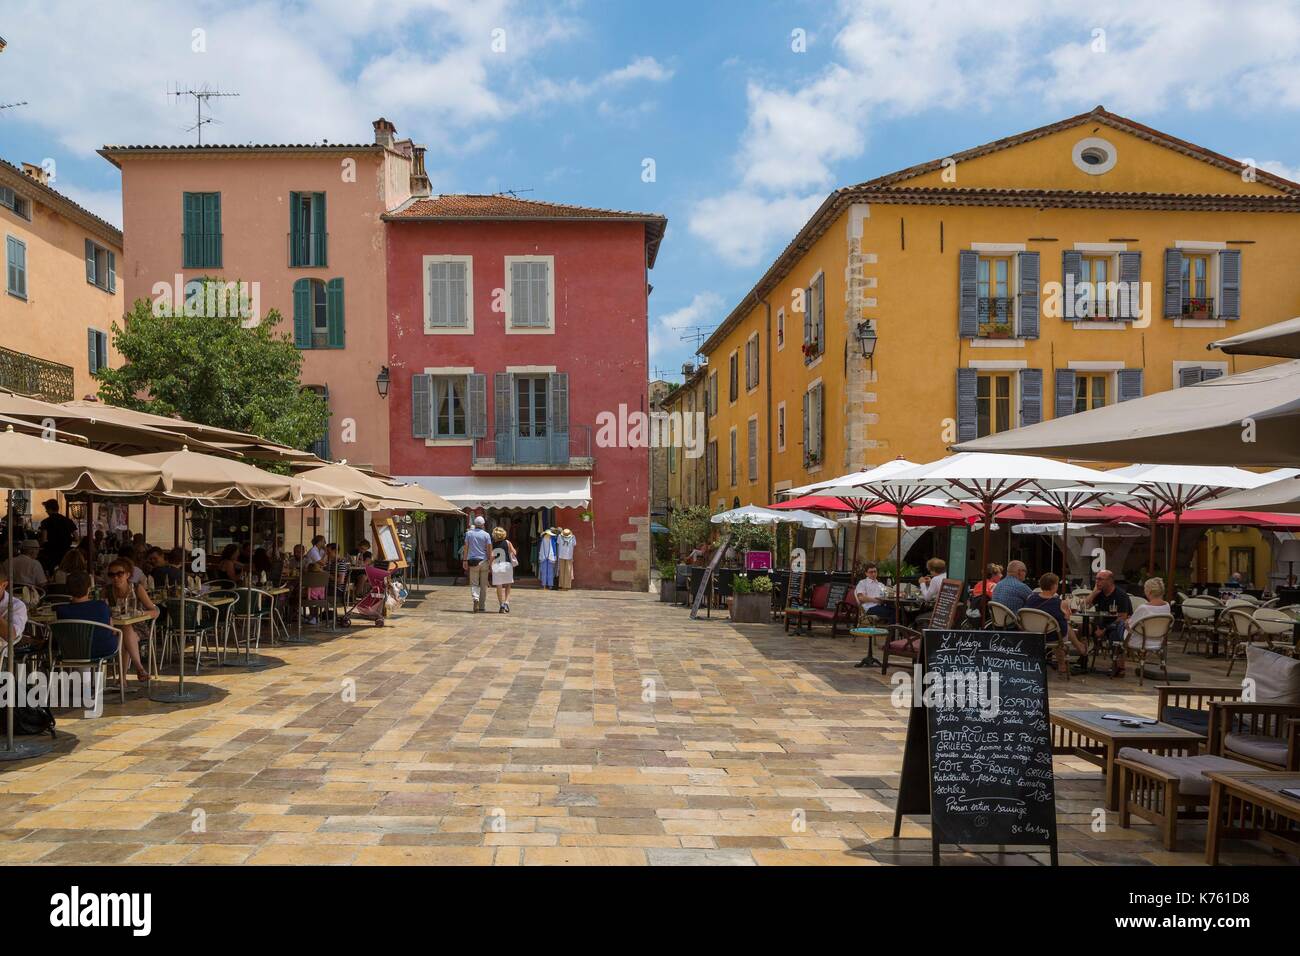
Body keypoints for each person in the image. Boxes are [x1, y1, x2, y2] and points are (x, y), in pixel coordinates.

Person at [103, 558, 158, 681]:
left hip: (138, 627)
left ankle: (124, 678)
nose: (115, 577)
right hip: (114, 628)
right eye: (112, 574)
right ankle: (138, 669)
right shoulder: (107, 591)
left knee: (125, 631)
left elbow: (155, 611)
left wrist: (141, 613)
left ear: (128, 574)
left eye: (119, 574)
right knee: (124, 632)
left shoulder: (137, 589)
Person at [1024, 572, 1088, 674]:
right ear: (1054, 586)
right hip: (1053, 636)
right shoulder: (1061, 603)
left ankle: (1077, 648)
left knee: (1058, 627)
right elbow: (1067, 617)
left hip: (1033, 634)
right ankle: (1066, 660)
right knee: (1062, 628)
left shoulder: (1030, 598)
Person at [54, 571, 118, 658]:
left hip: (72, 652)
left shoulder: (61, 610)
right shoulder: (101, 606)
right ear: (89, 589)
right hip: (103, 650)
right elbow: (112, 630)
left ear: (67, 589)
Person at [1085, 569, 1133, 676]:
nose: (1097, 581)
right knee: (1082, 628)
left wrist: (1104, 630)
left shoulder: (1121, 595)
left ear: (1110, 581)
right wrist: (1093, 593)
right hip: (1099, 624)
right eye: (1096, 578)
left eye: (1100, 579)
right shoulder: (1099, 593)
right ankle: (1083, 658)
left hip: (1115, 626)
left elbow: (1122, 617)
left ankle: (1119, 666)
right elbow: (1085, 607)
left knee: (1114, 635)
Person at [38, 498, 77, 573]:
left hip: (51, 553)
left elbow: (44, 539)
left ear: (49, 509)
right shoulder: (67, 521)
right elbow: (76, 537)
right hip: (65, 553)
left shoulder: (45, 522)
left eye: (46, 510)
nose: (46, 512)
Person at [462, 517, 493, 612]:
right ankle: (482, 606)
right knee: (483, 585)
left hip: (473, 561)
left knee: (474, 583)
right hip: (484, 561)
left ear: (474, 524)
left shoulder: (469, 534)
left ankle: (475, 598)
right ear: (483, 525)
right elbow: (489, 549)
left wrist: (465, 560)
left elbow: (466, 548)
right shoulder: (487, 535)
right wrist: (490, 561)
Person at [490, 527, 518, 613]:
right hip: (507, 565)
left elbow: (492, 557)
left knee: (499, 586)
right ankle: (506, 602)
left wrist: (490, 566)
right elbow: (514, 553)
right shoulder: (508, 542)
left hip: (497, 565)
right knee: (508, 585)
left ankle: (501, 605)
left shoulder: (493, 544)